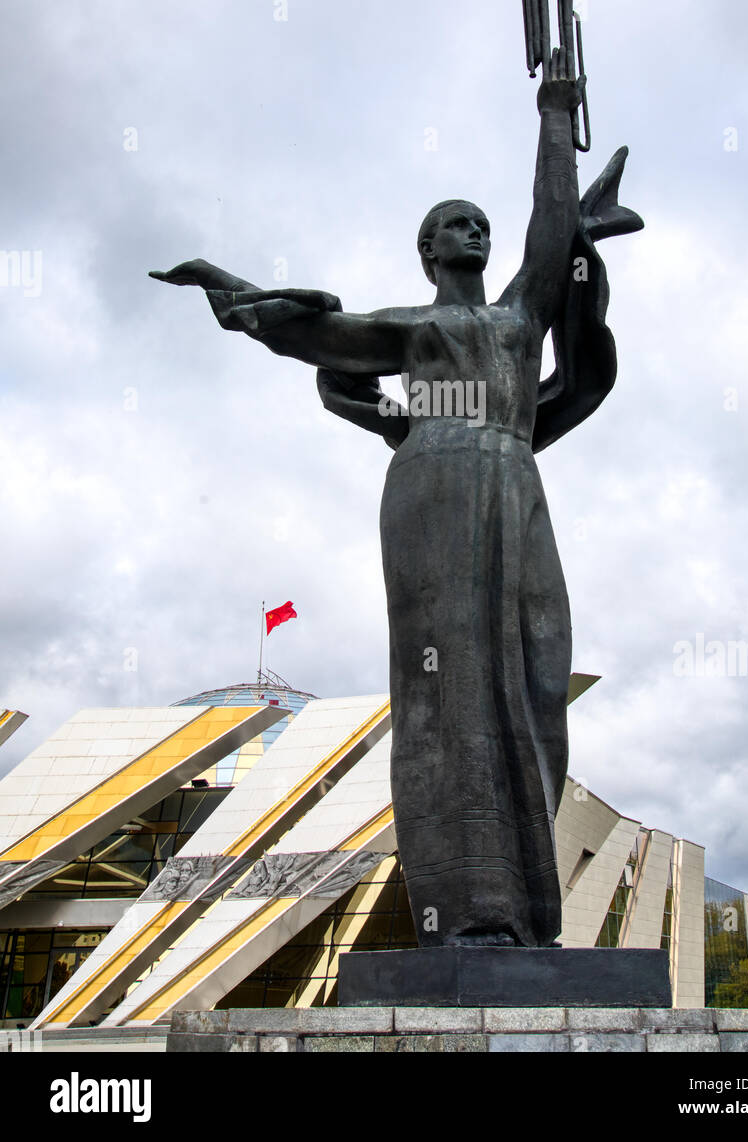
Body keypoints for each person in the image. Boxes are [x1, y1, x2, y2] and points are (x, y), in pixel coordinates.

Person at [150, 52, 642, 947]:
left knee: (533, 673)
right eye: (457, 225)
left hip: (512, 483)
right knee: (447, 685)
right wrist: (233, 290)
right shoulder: (412, 329)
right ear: (427, 250)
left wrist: (554, 112)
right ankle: (466, 914)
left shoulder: (518, 318)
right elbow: (315, 335)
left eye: (480, 222)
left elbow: (547, 232)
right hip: (433, 490)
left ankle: (528, 918)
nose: (474, 232)